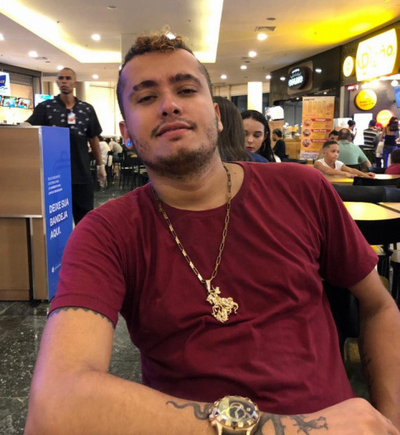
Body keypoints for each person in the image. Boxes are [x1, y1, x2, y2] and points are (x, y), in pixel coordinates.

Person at [25, 32, 400, 435]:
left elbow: (379, 306)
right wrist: (291, 430)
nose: (170, 105)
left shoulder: (301, 188)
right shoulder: (106, 233)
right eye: (147, 97)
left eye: (186, 90)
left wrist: (390, 420)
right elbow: (54, 408)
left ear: (219, 117)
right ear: (126, 131)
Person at [26, 68, 106, 224]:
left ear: (75, 83)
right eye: (61, 78)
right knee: (57, 221)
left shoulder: (86, 109)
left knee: (85, 220)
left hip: (81, 173)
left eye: (68, 78)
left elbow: (93, 138)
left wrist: (100, 166)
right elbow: (30, 131)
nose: (64, 81)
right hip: (54, 177)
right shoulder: (45, 108)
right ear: (57, 82)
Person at [214, 96, 267, 162]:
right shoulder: (259, 161)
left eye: (257, 135)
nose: (250, 140)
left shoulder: (259, 161)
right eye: (244, 134)